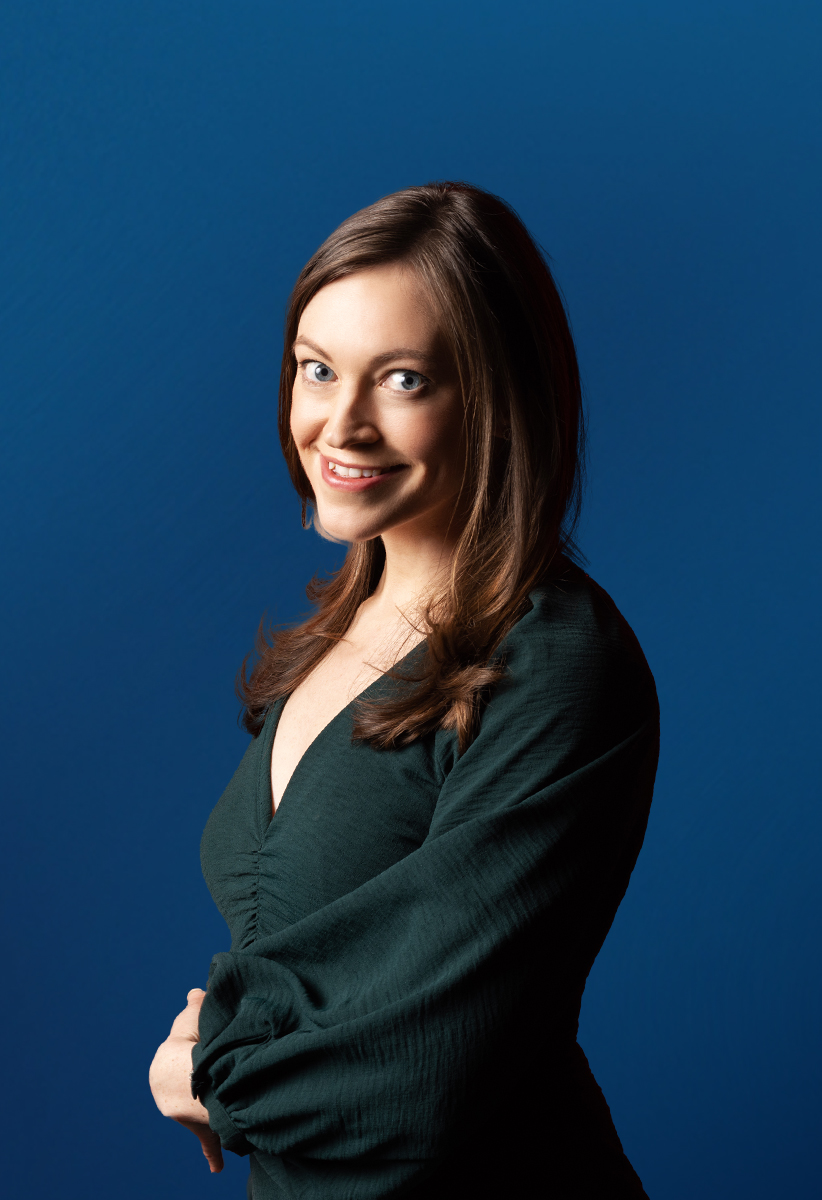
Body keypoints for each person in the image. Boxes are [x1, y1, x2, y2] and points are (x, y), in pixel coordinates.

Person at [149, 181, 659, 1198]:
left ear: (496, 400)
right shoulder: (339, 630)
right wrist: (240, 1042)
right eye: (317, 369)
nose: (340, 424)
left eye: (404, 381)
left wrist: (213, 1066)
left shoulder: (558, 661)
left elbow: (425, 1071)